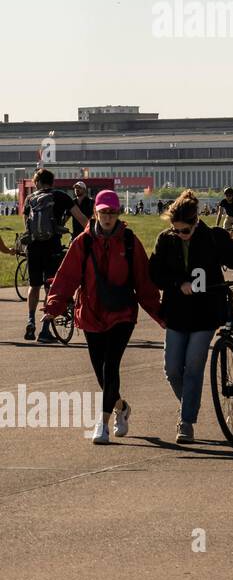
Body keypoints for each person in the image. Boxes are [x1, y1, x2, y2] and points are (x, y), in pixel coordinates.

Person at [149, 189, 233, 443]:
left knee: (193, 366)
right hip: (176, 312)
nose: (179, 234)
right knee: (172, 370)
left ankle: (186, 422)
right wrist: (177, 283)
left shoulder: (213, 238)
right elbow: (155, 274)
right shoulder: (165, 240)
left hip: (205, 312)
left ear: (196, 223)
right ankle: (189, 405)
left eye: (184, 230)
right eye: (176, 230)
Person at [44, 190, 163, 444]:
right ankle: (121, 406)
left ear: (118, 213)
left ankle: (103, 422)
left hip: (122, 313)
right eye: (103, 212)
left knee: (111, 366)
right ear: (95, 213)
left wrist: (161, 315)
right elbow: (67, 277)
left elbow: (143, 283)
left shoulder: (130, 242)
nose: (108, 217)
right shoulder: (83, 242)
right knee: (101, 372)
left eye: (112, 212)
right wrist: (53, 307)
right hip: (91, 314)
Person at [21, 169, 88, 342]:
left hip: (34, 249)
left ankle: (30, 321)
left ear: (37, 182)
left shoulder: (30, 199)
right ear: (52, 181)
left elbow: (27, 227)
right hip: (52, 248)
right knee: (51, 287)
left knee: (34, 285)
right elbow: (81, 218)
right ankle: (45, 329)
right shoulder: (60, 196)